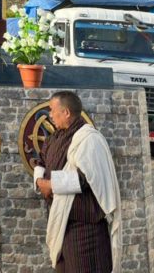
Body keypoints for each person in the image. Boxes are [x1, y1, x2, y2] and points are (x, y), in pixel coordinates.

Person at [35, 90, 122, 273]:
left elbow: (86, 178)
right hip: (62, 223)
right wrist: (39, 181)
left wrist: (50, 185)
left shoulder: (90, 139)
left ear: (66, 112)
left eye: (53, 110)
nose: (50, 115)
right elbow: (40, 161)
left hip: (86, 229)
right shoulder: (54, 138)